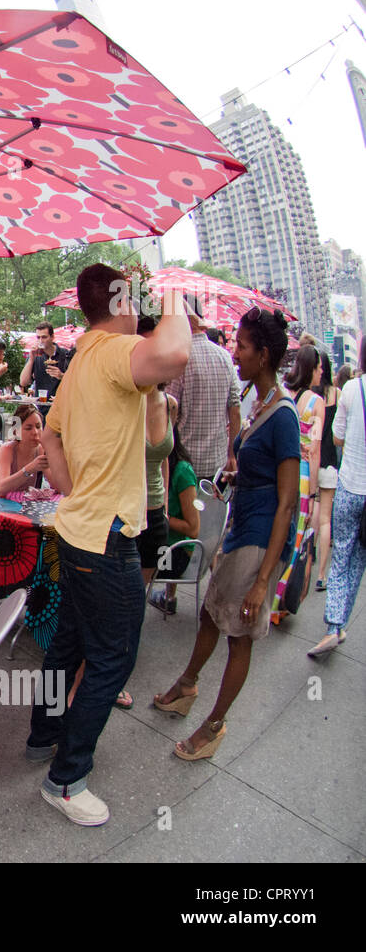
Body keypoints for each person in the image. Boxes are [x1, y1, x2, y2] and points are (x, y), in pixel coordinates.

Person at [24, 263, 190, 827]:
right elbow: (174, 355)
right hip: (105, 537)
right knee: (112, 657)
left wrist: (74, 490)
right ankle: (66, 778)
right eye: (134, 296)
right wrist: (172, 291)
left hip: (79, 529)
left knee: (69, 642)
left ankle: (45, 731)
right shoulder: (115, 352)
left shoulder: (79, 362)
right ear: (121, 300)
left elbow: (50, 432)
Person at [153, 308, 299, 759]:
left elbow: (288, 502)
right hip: (240, 530)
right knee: (211, 614)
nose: (234, 352)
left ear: (264, 354)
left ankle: (213, 727)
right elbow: (259, 473)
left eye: (241, 346)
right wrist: (235, 479)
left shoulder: (284, 415)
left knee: (236, 632)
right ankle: (187, 685)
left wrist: (262, 580)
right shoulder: (260, 404)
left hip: (258, 541)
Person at [312, 362, 366, 656]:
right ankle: (341, 622)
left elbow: (337, 436)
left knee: (341, 554)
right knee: (358, 561)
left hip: (350, 484)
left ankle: (333, 626)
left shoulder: (351, 389)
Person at [270, 345, 323, 622]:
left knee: (277, 533)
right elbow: (314, 450)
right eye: (319, 367)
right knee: (295, 536)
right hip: (301, 474)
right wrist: (313, 493)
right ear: (311, 369)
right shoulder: (316, 402)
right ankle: (278, 604)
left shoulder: (285, 393)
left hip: (281, 469)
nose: (322, 371)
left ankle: (265, 594)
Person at [166, 295, 242, 486]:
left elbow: (169, 412)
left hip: (185, 465)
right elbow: (235, 409)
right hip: (218, 464)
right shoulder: (225, 357)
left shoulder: (180, 360)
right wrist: (231, 454)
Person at [136, 316, 180, 588]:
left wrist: (163, 505)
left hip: (155, 513)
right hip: (127, 513)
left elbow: (163, 459)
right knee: (124, 598)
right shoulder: (126, 402)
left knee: (144, 593)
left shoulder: (170, 404)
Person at [148, 427, 200, 615]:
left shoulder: (182, 471)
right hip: (160, 544)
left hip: (175, 554)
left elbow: (193, 529)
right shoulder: (153, 468)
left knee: (127, 561)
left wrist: (158, 517)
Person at [313, 349, 339, 592]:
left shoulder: (311, 396)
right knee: (325, 521)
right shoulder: (336, 394)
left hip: (312, 463)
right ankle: (321, 574)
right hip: (331, 464)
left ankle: (305, 563)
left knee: (311, 515)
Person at [0, 404, 48, 498]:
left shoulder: (40, 449)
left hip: (23, 505)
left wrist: (54, 453)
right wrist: (30, 468)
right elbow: (2, 488)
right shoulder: (6, 450)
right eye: (28, 428)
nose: (35, 432)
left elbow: (57, 486)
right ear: (16, 431)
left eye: (38, 427)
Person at [19, 322, 71, 397]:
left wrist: (62, 376)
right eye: (38, 337)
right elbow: (23, 382)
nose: (40, 341)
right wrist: (31, 360)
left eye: (44, 337)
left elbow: (76, 380)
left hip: (62, 404)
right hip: (41, 404)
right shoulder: (35, 355)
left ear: (52, 337)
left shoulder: (65, 354)